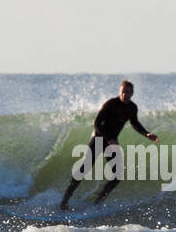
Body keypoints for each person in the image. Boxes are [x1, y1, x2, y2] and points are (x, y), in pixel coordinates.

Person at [60, 80, 159, 209]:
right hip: (98, 139)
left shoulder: (132, 108)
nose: (125, 94)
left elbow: (135, 123)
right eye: (123, 92)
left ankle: (97, 203)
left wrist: (146, 134)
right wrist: (109, 138)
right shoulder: (111, 104)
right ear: (120, 92)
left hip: (111, 142)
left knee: (117, 176)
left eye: (128, 92)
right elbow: (96, 123)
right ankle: (64, 201)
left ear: (132, 93)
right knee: (84, 169)